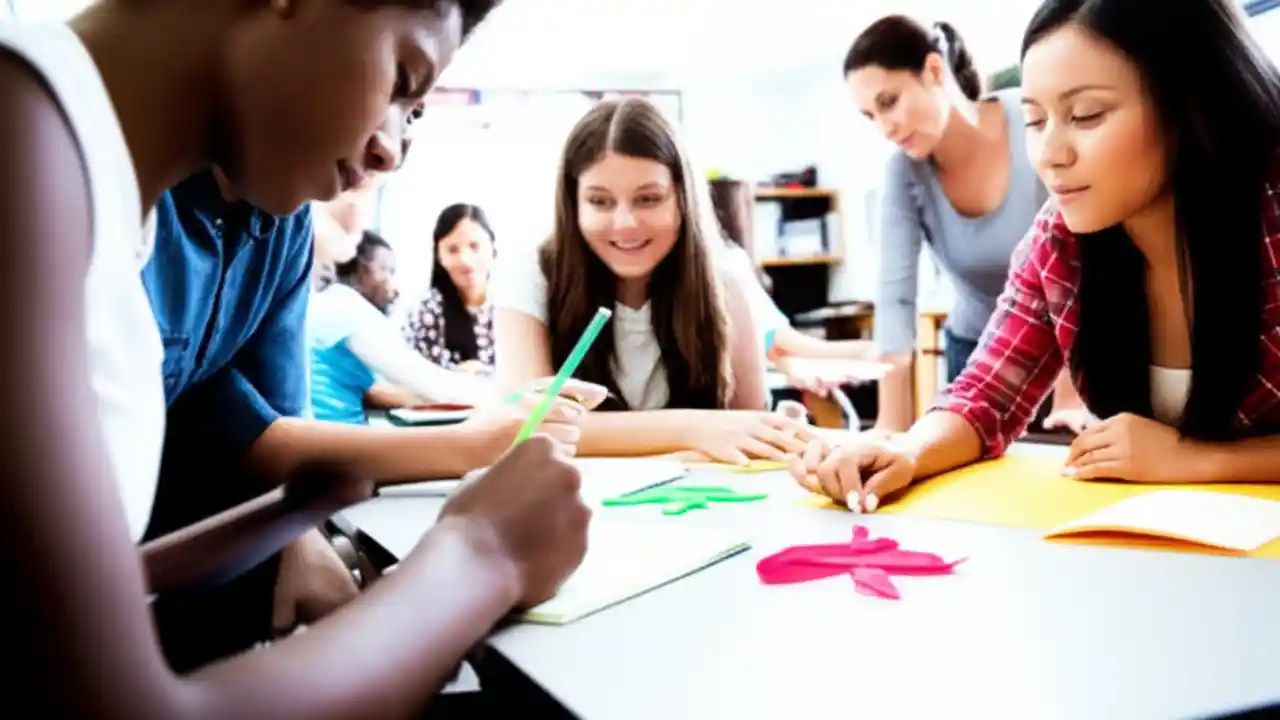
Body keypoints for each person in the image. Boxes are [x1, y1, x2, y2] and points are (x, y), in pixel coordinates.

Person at [0, 1, 607, 714]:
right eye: (403, 77)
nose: (391, 150)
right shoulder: (22, 145)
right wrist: (482, 553)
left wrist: (290, 518)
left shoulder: (108, 200)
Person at [792, 0, 1280, 513]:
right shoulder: (1060, 241)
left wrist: (1191, 460)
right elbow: (985, 395)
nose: (1049, 154)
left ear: (1189, 102)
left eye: (1086, 115)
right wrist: (906, 448)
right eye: (1035, 120)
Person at [493, 98, 814, 465]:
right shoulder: (528, 276)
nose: (625, 223)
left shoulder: (725, 284)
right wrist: (696, 433)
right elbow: (529, 426)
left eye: (648, 199)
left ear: (682, 198)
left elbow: (747, 431)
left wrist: (775, 431)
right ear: (573, 203)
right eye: (600, 202)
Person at [844, 16, 1087, 433]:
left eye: (889, 102)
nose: (884, 128)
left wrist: (1072, 394)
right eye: (870, 115)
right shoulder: (903, 172)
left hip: (1076, 355)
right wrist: (888, 430)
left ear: (933, 71)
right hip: (979, 356)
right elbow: (895, 298)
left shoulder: (1030, 120)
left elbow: (1079, 257)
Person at [310, 230, 499, 423]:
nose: (394, 285)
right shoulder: (345, 306)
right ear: (359, 269)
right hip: (341, 439)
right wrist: (504, 392)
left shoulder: (324, 308)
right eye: (385, 269)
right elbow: (428, 384)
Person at [404, 202, 497, 374]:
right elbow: (414, 379)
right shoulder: (426, 311)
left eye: (475, 246)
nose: (465, 260)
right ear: (439, 256)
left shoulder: (515, 306)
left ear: (493, 248)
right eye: (452, 250)